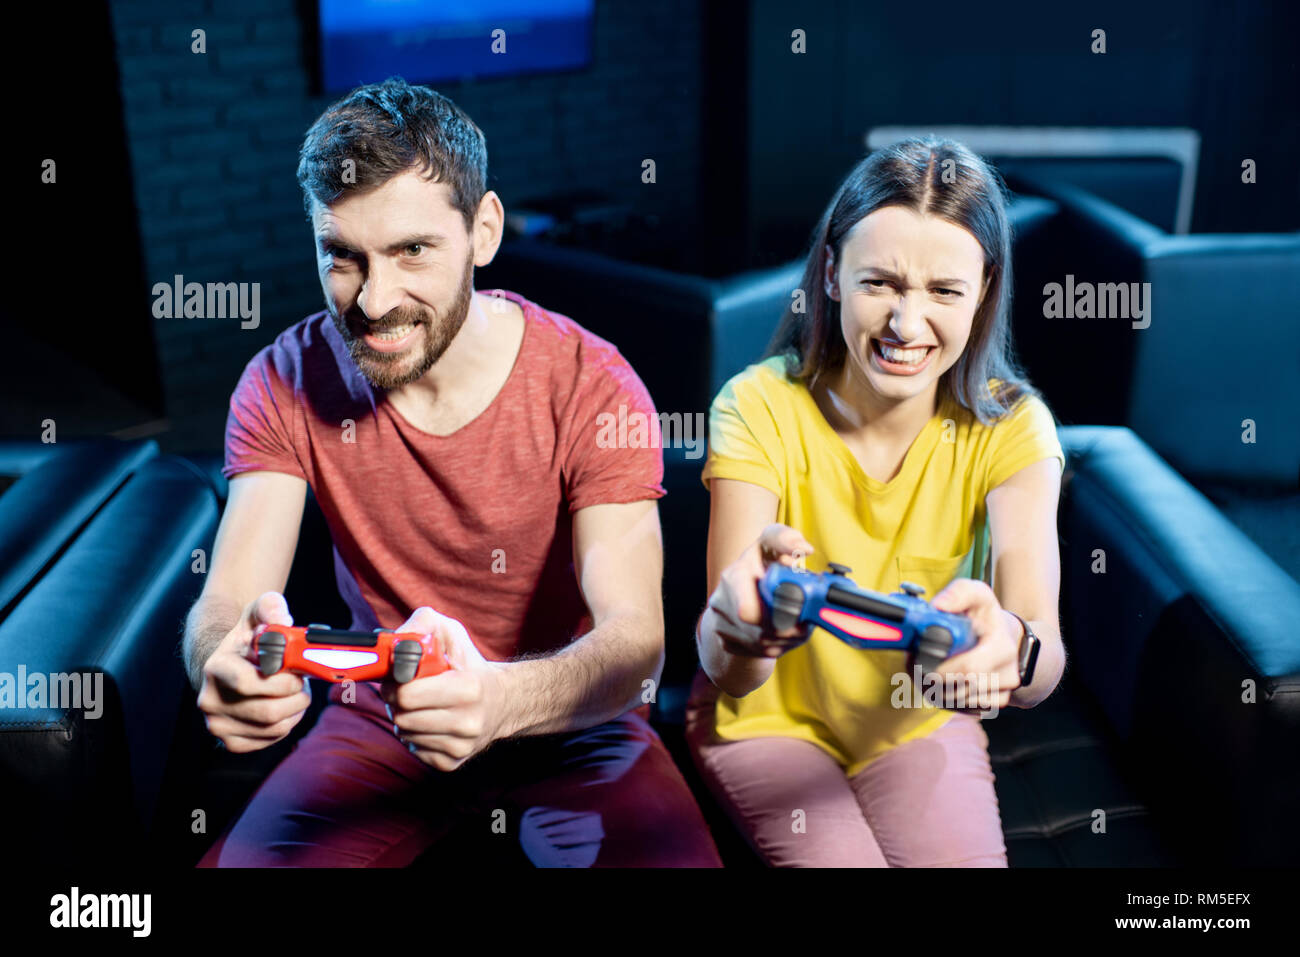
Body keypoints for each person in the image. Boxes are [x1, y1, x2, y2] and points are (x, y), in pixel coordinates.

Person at [182, 76, 721, 867]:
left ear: (485, 230)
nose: (374, 299)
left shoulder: (593, 383)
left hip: (573, 724)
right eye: (344, 258)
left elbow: (636, 640)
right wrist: (218, 660)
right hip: (379, 717)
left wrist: (499, 699)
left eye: (412, 251)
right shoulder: (283, 378)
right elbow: (224, 600)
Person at [687, 136, 1065, 867]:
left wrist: (1012, 650)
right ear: (831, 274)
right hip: (765, 723)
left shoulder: (1014, 425)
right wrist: (747, 630)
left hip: (915, 723)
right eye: (880, 283)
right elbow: (723, 664)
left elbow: (1042, 657)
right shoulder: (756, 404)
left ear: (984, 290)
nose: (905, 323)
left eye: (944, 291)